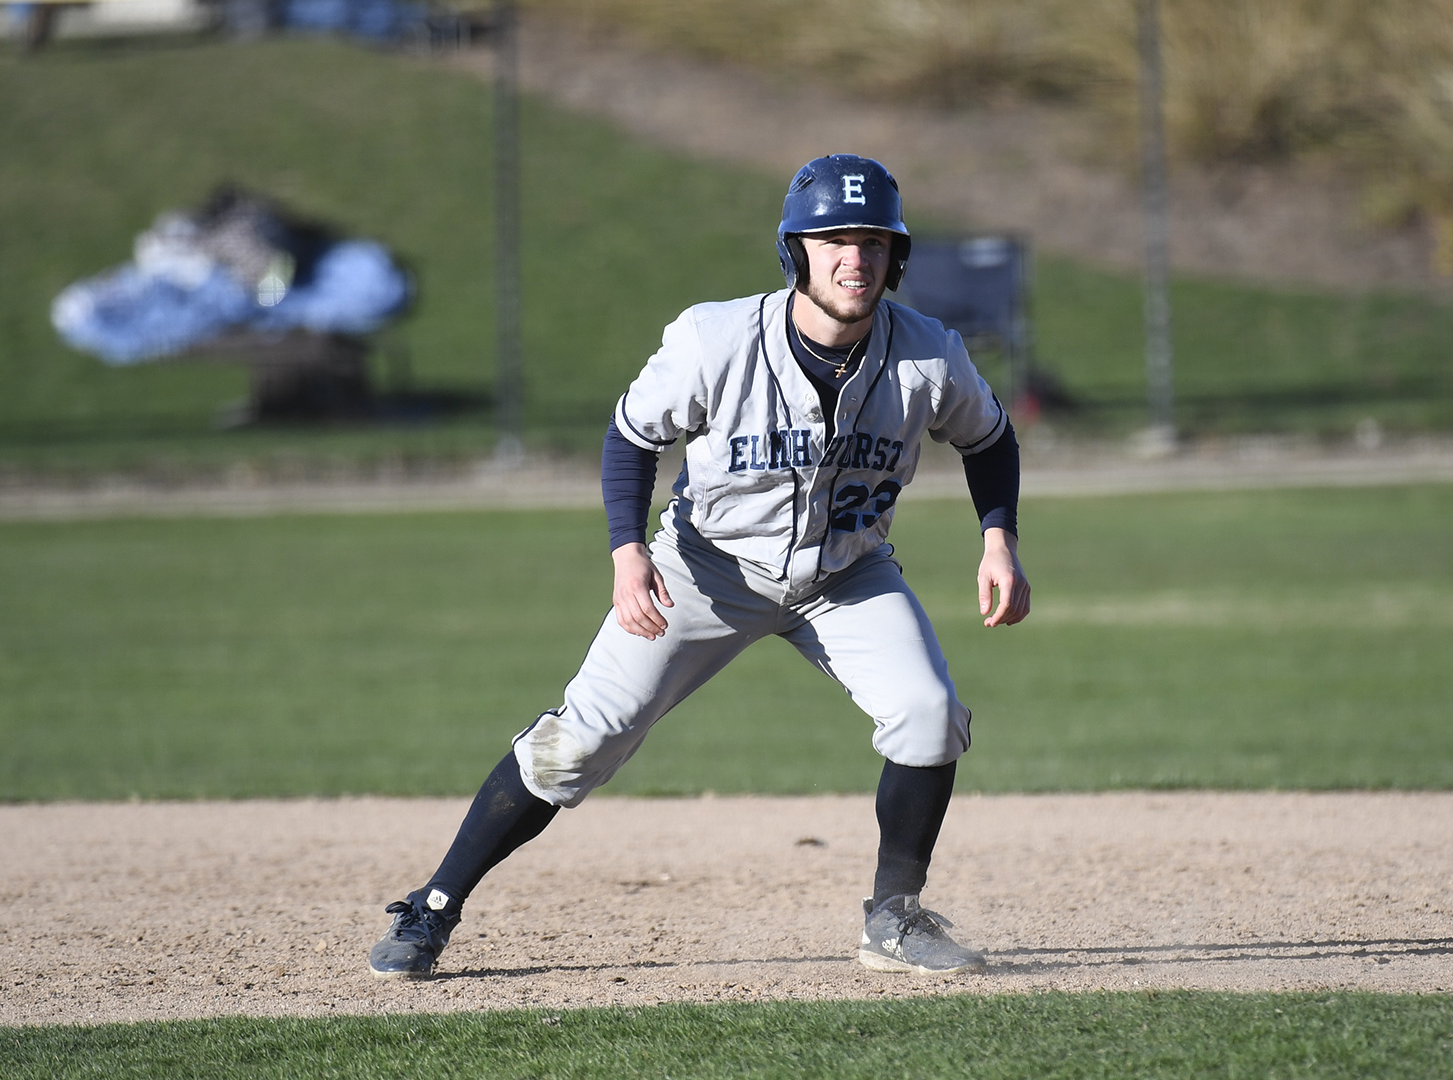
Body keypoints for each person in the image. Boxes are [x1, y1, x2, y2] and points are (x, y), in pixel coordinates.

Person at [368, 153, 1029, 979]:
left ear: (896, 258)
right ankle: (431, 906)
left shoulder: (929, 354)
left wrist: (997, 536)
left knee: (929, 714)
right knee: (578, 745)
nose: (852, 258)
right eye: (830, 239)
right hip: (705, 568)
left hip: (847, 575)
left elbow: (989, 437)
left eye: (871, 241)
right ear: (796, 252)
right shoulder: (714, 340)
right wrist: (626, 549)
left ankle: (893, 918)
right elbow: (632, 436)